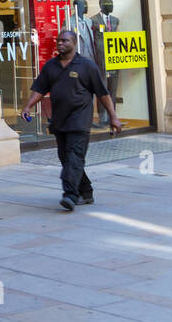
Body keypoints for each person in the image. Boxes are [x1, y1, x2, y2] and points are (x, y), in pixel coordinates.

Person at [20, 29, 122, 211]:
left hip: (80, 120)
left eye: (65, 41)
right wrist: (28, 106)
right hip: (59, 121)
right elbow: (40, 89)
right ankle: (86, 191)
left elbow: (103, 94)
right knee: (65, 158)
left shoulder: (87, 66)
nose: (60, 44)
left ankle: (70, 195)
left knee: (74, 156)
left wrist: (113, 117)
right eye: (58, 41)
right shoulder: (51, 66)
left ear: (74, 43)